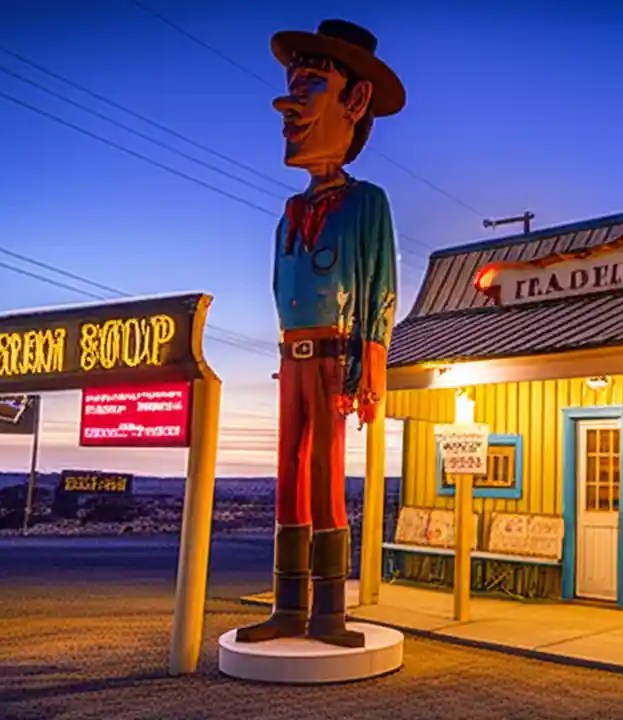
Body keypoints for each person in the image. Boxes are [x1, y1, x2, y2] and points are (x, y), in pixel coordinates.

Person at [235, 18, 402, 649]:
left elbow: (380, 287)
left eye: (308, 86)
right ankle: (287, 605)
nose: (287, 104)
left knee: (328, 472)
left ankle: (330, 611)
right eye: (289, 86)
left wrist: (370, 368)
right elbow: (281, 290)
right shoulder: (290, 213)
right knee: (288, 473)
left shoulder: (367, 203)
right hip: (292, 357)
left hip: (336, 355)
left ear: (354, 103)